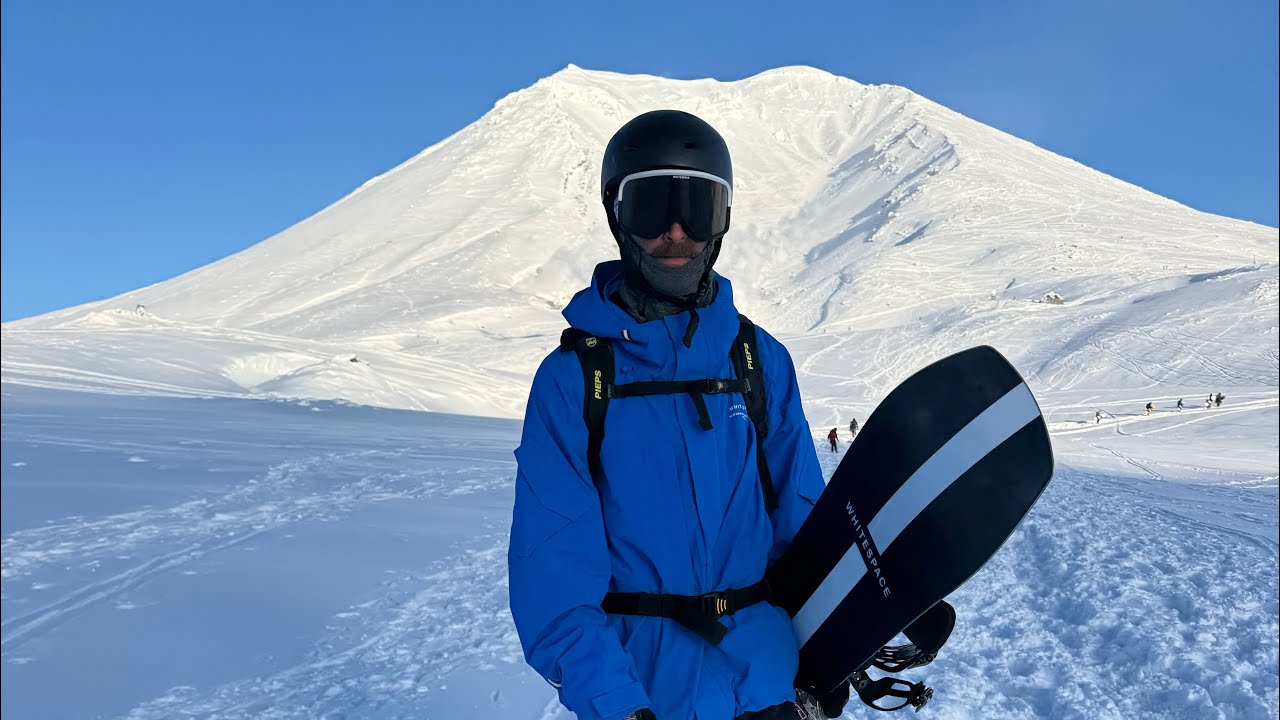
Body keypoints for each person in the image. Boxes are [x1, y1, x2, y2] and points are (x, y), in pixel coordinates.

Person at [507, 111, 845, 720]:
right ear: (617, 217)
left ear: (725, 221)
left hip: (770, 683)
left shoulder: (758, 358)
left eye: (700, 207)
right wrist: (615, 702)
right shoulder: (575, 379)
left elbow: (802, 526)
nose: (677, 231)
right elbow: (553, 571)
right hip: (645, 689)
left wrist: (836, 647)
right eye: (652, 206)